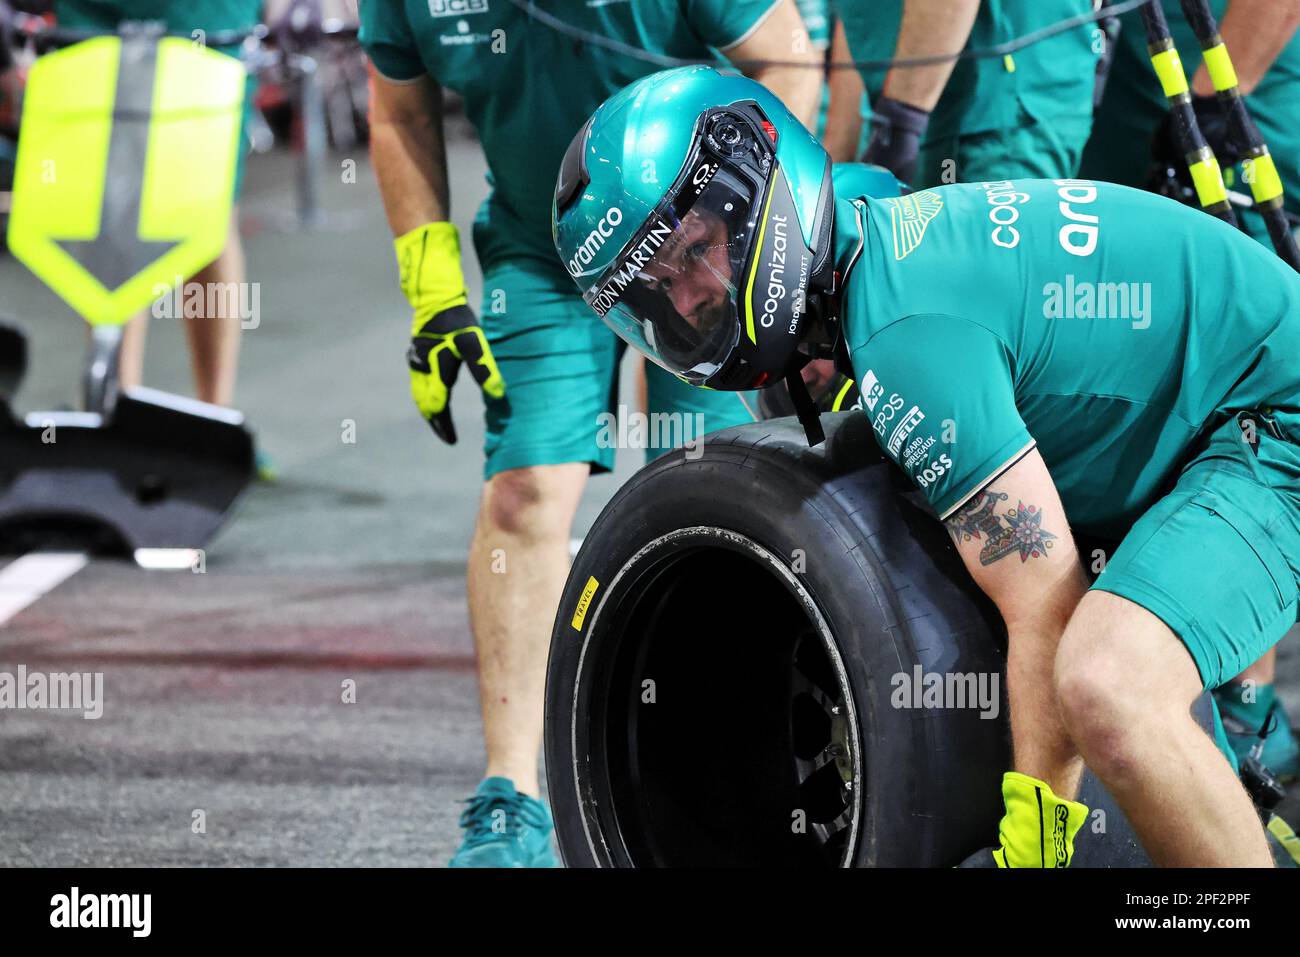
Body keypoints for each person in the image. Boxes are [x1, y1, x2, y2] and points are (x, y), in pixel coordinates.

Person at [553, 65, 1300, 866]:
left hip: (1274, 425)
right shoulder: (877, 236)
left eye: (698, 245)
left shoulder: (902, 330)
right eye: (659, 284)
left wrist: (1036, 838)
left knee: (1109, 684)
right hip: (1203, 432)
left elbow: (1044, 604)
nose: (694, 296)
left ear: (753, 173)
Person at [357, 0, 822, 867]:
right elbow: (399, 109)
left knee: (712, 489)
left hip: (690, 245)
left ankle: (723, 779)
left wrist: (764, 234)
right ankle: (511, 801)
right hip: (542, 251)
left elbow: (788, 59)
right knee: (524, 489)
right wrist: (430, 291)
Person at [1081, 0, 1300, 781]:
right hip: (1154, 123)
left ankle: (1249, 706)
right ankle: (1205, 688)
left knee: (1239, 404)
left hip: (1235, 131)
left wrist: (1202, 111)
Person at [53, 0, 259, 415]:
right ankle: (113, 411)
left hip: (202, 10)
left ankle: (215, 420)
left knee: (206, 200)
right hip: (91, 6)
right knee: (108, 201)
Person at [824, 0, 1099, 183]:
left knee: (989, 264)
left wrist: (900, 126)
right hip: (913, 115)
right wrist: (836, 159)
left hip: (996, 121)